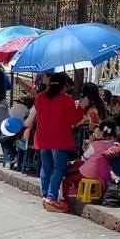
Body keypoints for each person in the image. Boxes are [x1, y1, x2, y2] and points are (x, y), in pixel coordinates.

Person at [33, 72, 87, 212]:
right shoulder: (66, 100)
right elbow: (74, 119)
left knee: (46, 168)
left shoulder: (39, 98)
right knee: (59, 168)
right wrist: (81, 106)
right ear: (63, 86)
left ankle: (46, 195)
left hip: (43, 137)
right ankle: (51, 197)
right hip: (59, 138)